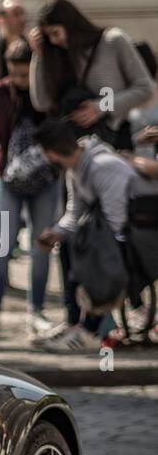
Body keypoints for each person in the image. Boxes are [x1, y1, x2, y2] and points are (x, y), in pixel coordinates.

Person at [33, 118, 158, 353]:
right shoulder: (77, 169)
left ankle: (89, 331)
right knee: (70, 245)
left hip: (144, 233)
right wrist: (56, 233)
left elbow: (117, 221)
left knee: (92, 254)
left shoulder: (103, 166)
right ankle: (75, 323)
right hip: (122, 230)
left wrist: (94, 248)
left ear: (52, 152)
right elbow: (74, 213)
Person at [0, 38, 59, 338]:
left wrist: (56, 166)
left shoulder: (47, 91)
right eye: (15, 75)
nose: (20, 81)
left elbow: (61, 128)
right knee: (1, 246)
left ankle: (36, 311)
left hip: (45, 180)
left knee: (41, 246)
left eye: (26, 75)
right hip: (7, 179)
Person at [29, 0, 155, 151]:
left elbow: (144, 88)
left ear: (71, 25)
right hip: (73, 148)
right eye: (48, 36)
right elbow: (42, 103)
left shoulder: (112, 41)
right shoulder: (58, 54)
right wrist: (39, 56)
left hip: (114, 142)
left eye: (56, 33)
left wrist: (100, 107)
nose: (54, 40)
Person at [0, 0, 28, 79]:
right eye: (16, 14)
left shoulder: (30, 47)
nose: (22, 19)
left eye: (22, 14)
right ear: (1, 19)